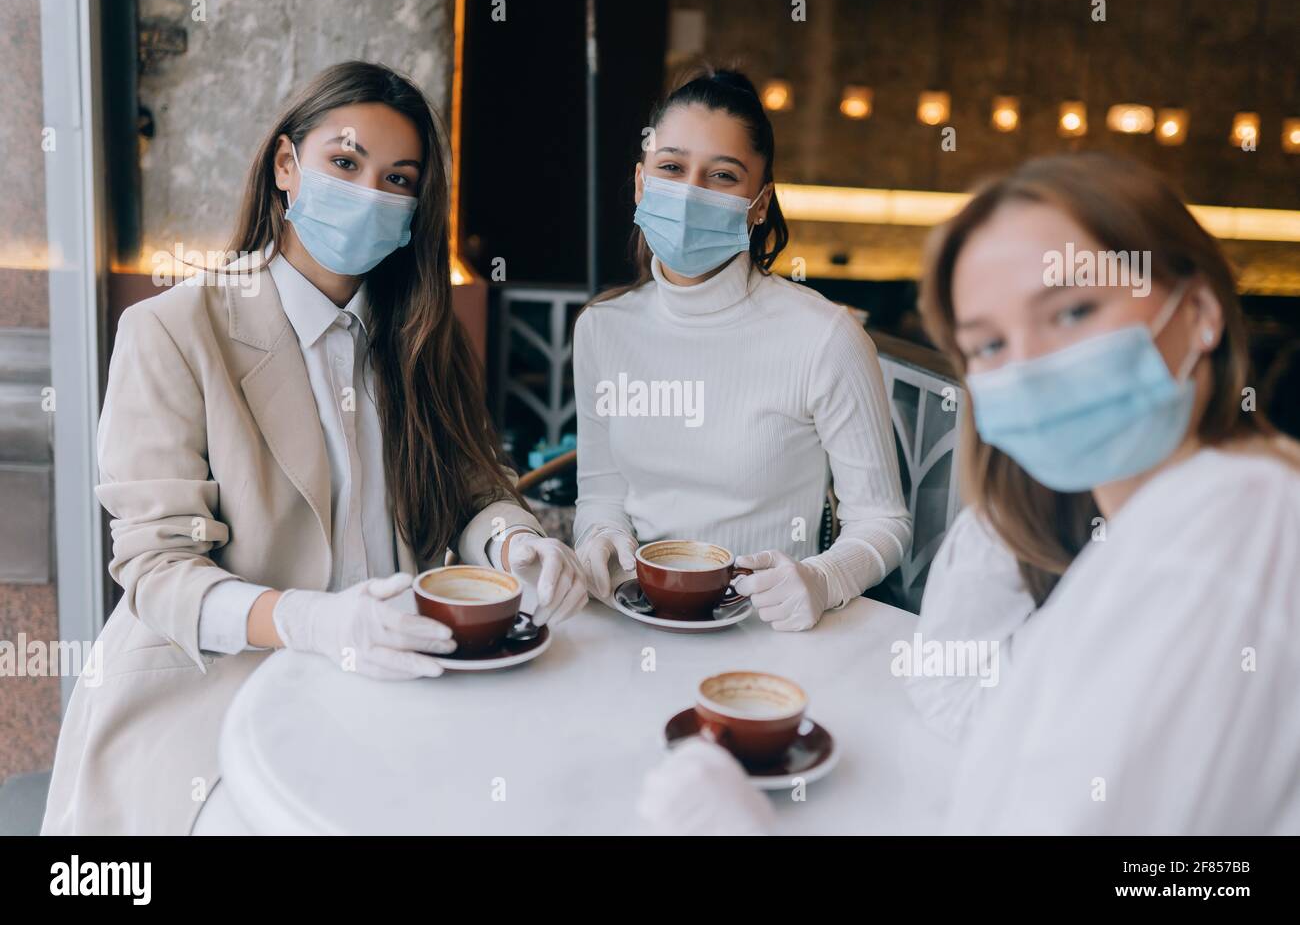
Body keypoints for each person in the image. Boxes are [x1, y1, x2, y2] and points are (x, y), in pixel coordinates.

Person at [639, 153, 1300, 834]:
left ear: (1199, 312)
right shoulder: (1151, 523)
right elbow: (957, 688)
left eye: (1071, 309)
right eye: (988, 346)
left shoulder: (1228, 539)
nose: (1031, 366)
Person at [42, 61, 587, 836]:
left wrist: (515, 542)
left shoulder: (420, 336)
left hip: (396, 682)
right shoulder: (173, 331)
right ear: (287, 166)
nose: (371, 192)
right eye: (345, 162)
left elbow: (474, 491)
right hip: (214, 695)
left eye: (399, 178)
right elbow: (158, 571)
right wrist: (310, 623)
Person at [573, 67, 911, 632]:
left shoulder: (825, 337)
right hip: (636, 620)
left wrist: (823, 581)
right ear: (641, 183)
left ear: (759, 202)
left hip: (772, 629)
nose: (689, 193)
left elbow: (883, 522)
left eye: (722, 176)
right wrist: (600, 541)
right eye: (672, 168)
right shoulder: (602, 329)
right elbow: (602, 496)